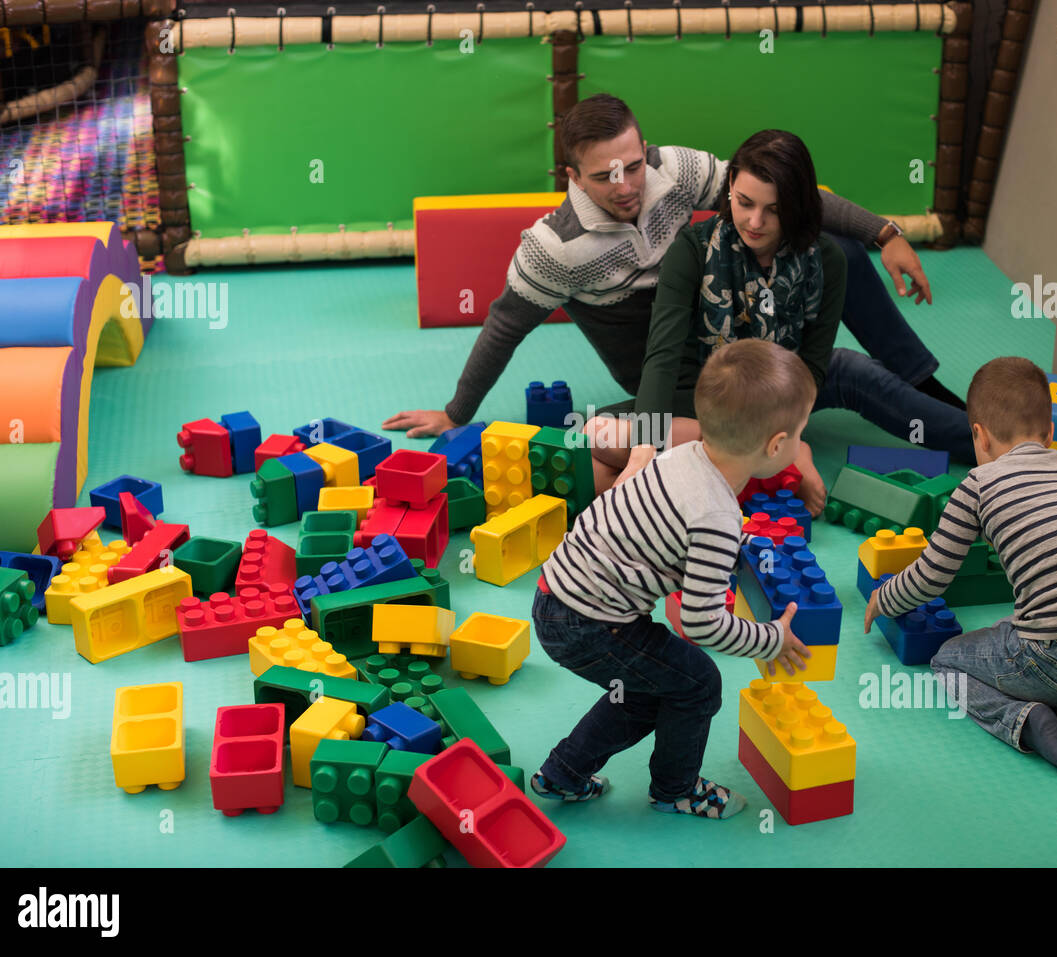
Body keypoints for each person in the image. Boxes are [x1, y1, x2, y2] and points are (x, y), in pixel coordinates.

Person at [383, 94, 972, 472]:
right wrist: (457, 413)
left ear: (645, 149)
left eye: (634, 165)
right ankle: (765, 441)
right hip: (673, 386)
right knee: (588, 437)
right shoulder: (552, 247)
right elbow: (505, 326)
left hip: (743, 347)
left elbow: (781, 197)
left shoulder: (675, 170)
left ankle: (946, 407)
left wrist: (884, 231)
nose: (626, 187)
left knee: (837, 252)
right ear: (571, 176)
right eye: (604, 176)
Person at [530, 339, 813, 818]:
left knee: (646, 687)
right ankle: (676, 790)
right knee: (697, 682)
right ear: (775, 446)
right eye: (801, 433)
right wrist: (771, 639)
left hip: (557, 595)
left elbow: (663, 529)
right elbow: (703, 625)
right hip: (590, 622)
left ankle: (563, 773)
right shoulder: (717, 515)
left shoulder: (679, 456)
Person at [863, 356, 1057, 782]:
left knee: (947, 662)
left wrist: (883, 598)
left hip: (1052, 660)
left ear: (978, 436)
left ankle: (1029, 722)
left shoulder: (977, 485)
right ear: (1051, 434)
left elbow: (932, 576)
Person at [596, 128, 844, 507]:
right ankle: (762, 462)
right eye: (745, 202)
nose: (755, 222)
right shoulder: (693, 249)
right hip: (697, 397)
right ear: (730, 185)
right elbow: (661, 357)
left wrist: (788, 431)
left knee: (608, 461)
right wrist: (643, 449)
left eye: (774, 210)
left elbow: (811, 368)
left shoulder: (827, 260)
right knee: (594, 438)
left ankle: (764, 457)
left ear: (798, 205)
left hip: (770, 409)